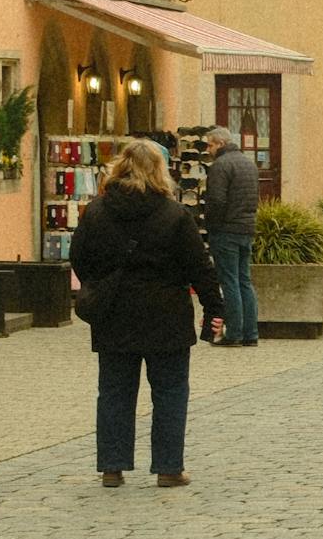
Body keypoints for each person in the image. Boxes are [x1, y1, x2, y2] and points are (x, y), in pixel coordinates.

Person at [71, 140, 224, 488]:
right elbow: (200, 267)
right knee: (169, 391)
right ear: (160, 171)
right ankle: (169, 467)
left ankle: (112, 465)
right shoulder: (175, 215)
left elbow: (79, 257)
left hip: (114, 312)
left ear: (119, 167)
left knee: (114, 391)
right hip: (165, 314)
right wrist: (214, 308)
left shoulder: (97, 212)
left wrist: (99, 284)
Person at [202, 127, 260, 348]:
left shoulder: (221, 166)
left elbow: (216, 200)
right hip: (246, 227)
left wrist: (211, 226)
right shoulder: (248, 163)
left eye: (209, 145)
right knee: (244, 280)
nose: (208, 149)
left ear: (220, 144)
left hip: (226, 230)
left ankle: (234, 331)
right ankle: (250, 332)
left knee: (230, 282)